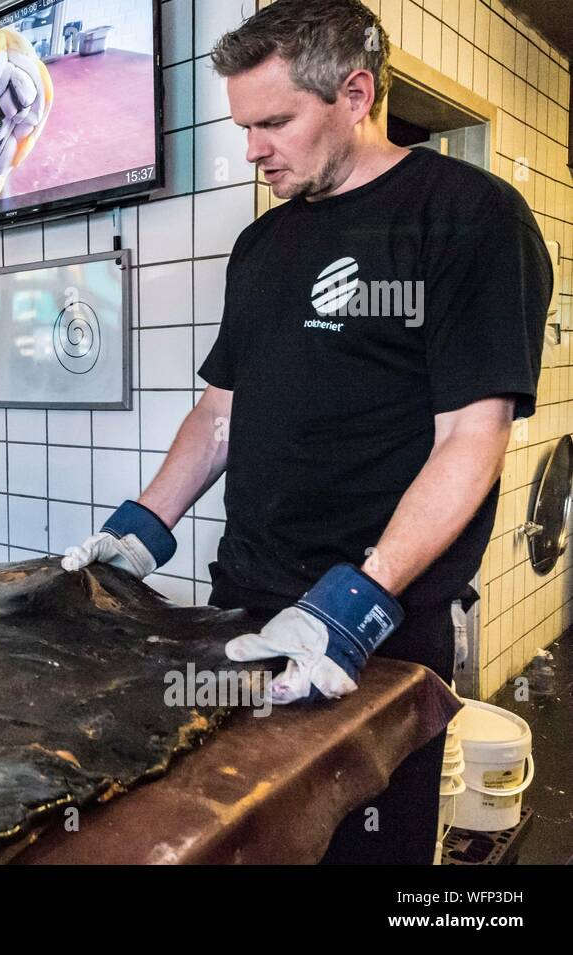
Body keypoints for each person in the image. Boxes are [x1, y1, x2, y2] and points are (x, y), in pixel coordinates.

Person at [62, 0, 551, 863]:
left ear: (356, 93)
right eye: (244, 124)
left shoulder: (469, 216)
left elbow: (474, 436)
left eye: (275, 122)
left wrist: (354, 603)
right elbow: (220, 413)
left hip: (379, 633)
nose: (252, 148)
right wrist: (140, 529)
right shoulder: (260, 246)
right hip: (243, 609)